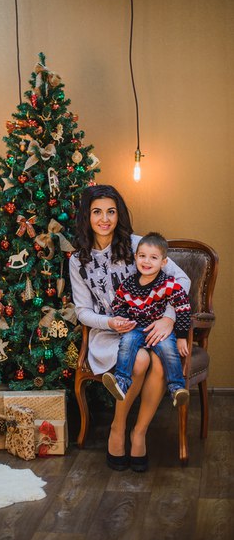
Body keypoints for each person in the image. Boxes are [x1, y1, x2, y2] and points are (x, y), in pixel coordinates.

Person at [69, 185, 190, 472]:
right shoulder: (78, 260)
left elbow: (181, 280)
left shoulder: (137, 245)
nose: (104, 219)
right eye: (97, 212)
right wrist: (110, 322)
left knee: (158, 361)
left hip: (150, 326)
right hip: (108, 333)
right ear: (86, 216)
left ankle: (139, 433)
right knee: (140, 358)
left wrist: (169, 318)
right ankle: (118, 426)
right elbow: (82, 311)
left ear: (119, 214)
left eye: (111, 212)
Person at [102, 232, 190, 408]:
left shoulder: (168, 284)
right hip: (136, 328)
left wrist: (181, 337)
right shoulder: (128, 284)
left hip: (158, 330)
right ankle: (121, 383)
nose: (146, 261)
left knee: (168, 350)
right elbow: (118, 303)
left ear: (163, 262)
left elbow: (183, 307)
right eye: (142, 256)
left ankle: (176, 388)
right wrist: (124, 319)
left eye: (153, 257)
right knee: (126, 343)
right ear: (136, 257)